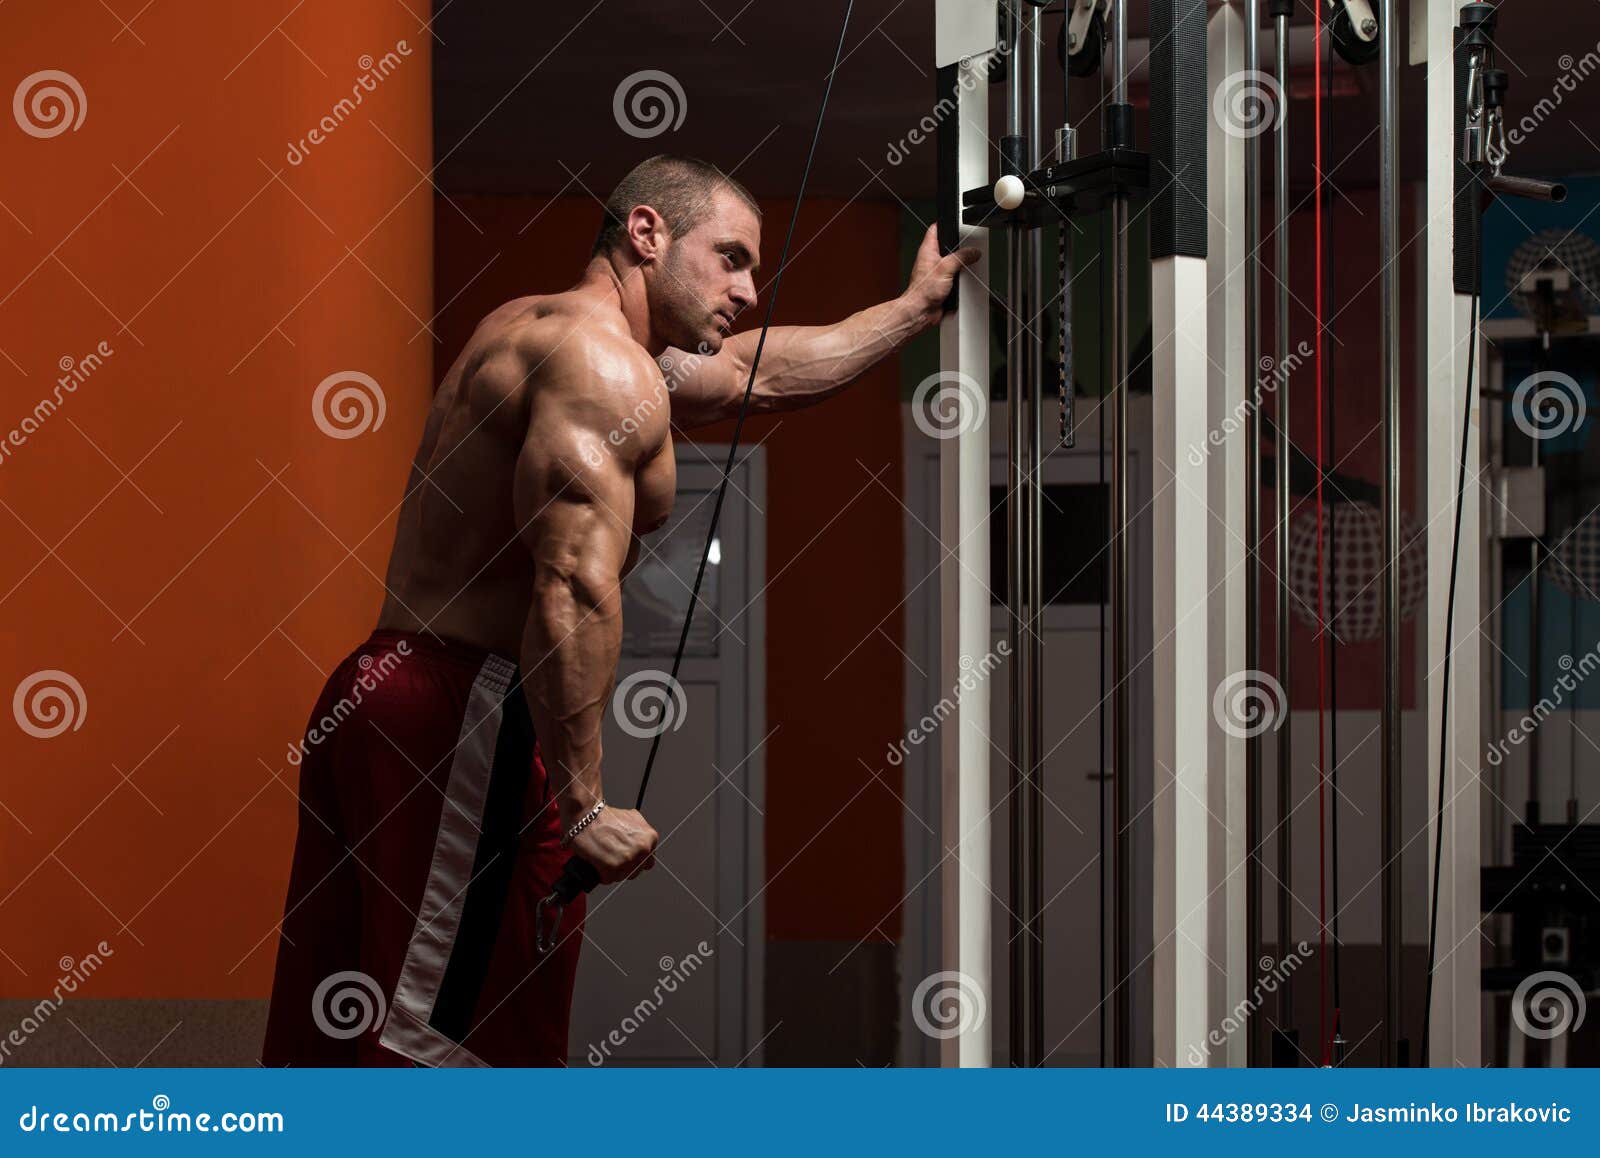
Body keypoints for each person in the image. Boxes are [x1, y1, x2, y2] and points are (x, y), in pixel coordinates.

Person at [261, 154, 979, 1066]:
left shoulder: (553, 335)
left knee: (346, 1021)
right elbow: (573, 581)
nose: (750, 290)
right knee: (456, 1043)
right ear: (646, 233)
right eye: (730, 258)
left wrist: (912, 311)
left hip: (385, 696)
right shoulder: (602, 368)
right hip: (458, 712)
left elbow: (767, 374)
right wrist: (585, 800)